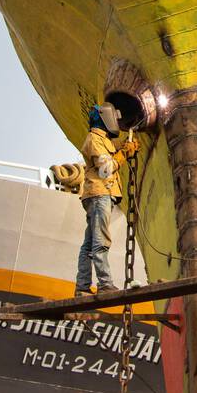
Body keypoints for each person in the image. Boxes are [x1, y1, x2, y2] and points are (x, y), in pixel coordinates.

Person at [75, 102, 139, 296]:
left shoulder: (102, 140)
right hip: (100, 194)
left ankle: (82, 286)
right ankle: (105, 284)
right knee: (100, 241)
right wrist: (124, 154)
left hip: (99, 194)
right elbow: (105, 169)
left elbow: (107, 157)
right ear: (106, 118)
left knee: (89, 243)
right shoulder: (94, 139)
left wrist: (123, 148)